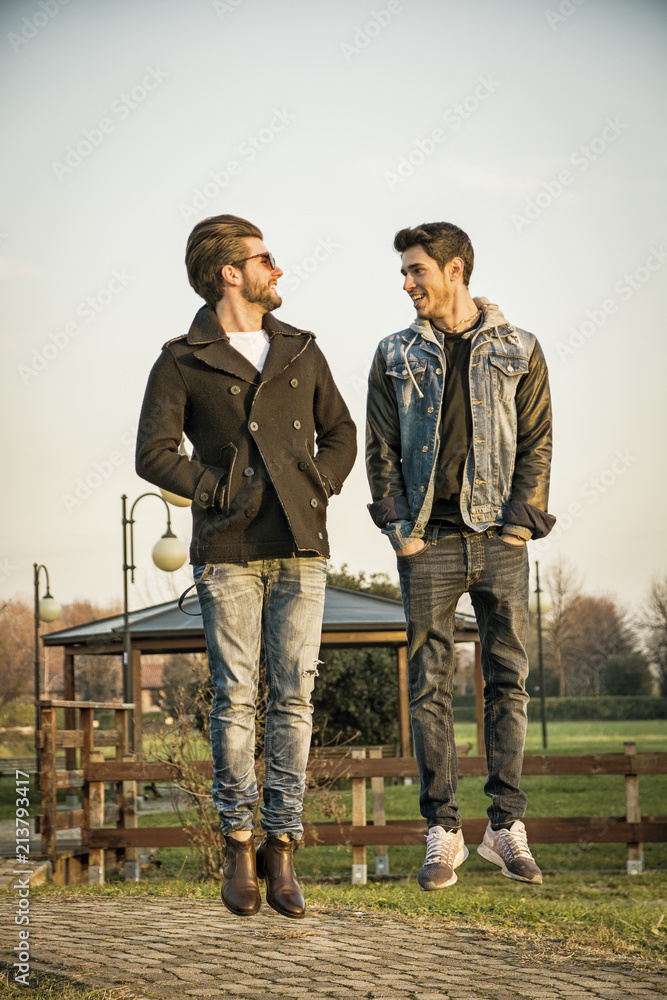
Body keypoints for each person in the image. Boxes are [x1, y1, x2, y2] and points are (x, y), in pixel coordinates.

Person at [136, 214, 356, 918]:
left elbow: (342, 432)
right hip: (228, 550)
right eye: (266, 259)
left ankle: (281, 847)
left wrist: (318, 479)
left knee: (293, 699)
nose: (278, 269)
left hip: (300, 546)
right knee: (236, 700)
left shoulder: (301, 348)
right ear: (230, 272)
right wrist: (214, 488)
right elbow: (153, 451)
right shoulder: (181, 359)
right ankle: (236, 842)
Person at [365, 221, 554, 890]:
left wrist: (518, 527)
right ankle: (441, 830)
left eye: (416, 270)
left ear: (454, 271)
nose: (406, 282)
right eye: (404, 272)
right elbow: (379, 450)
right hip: (428, 541)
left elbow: (535, 440)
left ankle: (504, 828)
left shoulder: (518, 347)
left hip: (499, 541)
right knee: (428, 686)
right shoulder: (392, 354)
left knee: (508, 680)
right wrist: (399, 531)